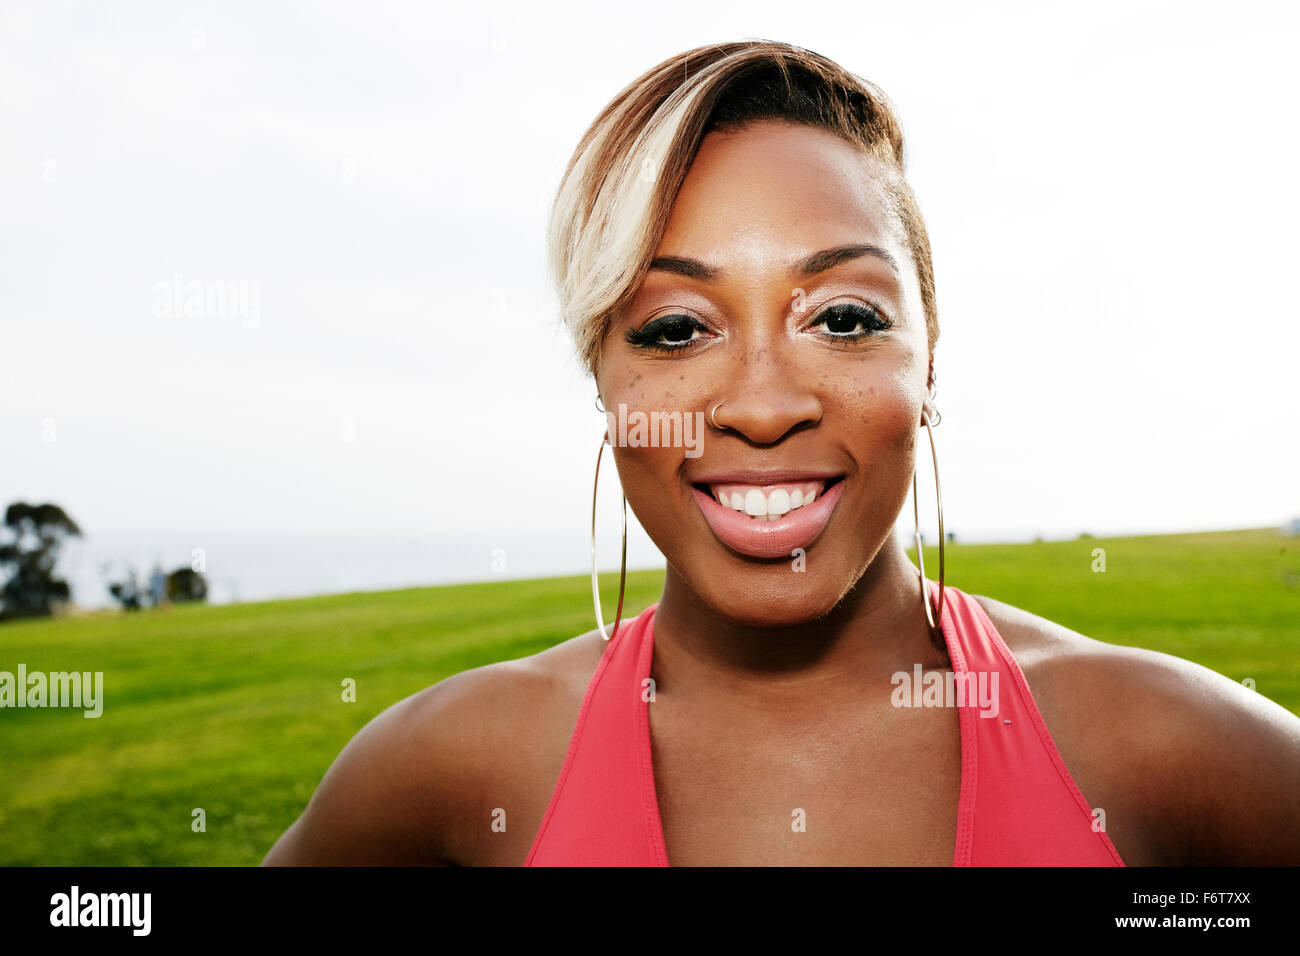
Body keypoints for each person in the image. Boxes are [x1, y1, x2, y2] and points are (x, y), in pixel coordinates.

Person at [263, 40, 1300, 866]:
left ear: (928, 362)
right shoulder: (450, 765)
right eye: (675, 328)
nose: (762, 406)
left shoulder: (1164, 748)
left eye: (843, 317)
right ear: (602, 379)